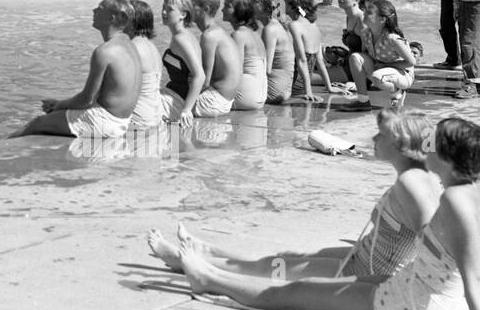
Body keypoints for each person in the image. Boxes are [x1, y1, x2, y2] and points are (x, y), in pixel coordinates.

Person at [170, 117, 480, 310]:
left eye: (434, 144)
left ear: (448, 158)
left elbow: (467, 278)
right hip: (392, 285)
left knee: (286, 281)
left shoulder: (437, 193)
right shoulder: (457, 191)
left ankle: (208, 274)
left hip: (398, 304)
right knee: (290, 267)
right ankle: (210, 261)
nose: (428, 147)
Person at [150, 109, 441, 279]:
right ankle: (205, 252)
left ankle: (187, 262)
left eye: (383, 135)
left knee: (277, 269)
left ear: (402, 146)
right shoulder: (415, 177)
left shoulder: (413, 183)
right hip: (366, 259)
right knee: (284, 260)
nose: (373, 138)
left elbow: (436, 244)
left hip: (369, 273)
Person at [14, 0, 141, 138]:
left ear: (110, 18)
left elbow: (87, 99)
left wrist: (58, 105)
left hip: (105, 122)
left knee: (37, 123)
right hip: (123, 121)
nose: (94, 10)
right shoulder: (129, 44)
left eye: (100, 9)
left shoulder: (104, 52)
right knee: (56, 117)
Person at [345, 0, 415, 110]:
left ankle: (397, 94)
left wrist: (385, 66)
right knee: (355, 57)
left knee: (377, 77)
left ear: (382, 19)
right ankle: (363, 101)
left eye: (369, 12)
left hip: (403, 74)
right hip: (381, 69)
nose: (364, 14)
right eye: (365, 11)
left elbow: (411, 62)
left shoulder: (392, 38)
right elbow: (364, 56)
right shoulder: (365, 34)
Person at [182, 0, 241, 120]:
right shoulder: (217, 32)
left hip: (214, 102)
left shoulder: (209, 36)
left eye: (191, 6)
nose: (187, 10)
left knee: (166, 105)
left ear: (206, 9)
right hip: (225, 100)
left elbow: (204, 81)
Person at [159, 0, 206, 122]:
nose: (163, 12)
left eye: (169, 9)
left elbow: (200, 76)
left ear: (183, 14)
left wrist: (186, 110)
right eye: (163, 7)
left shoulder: (181, 39)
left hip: (178, 100)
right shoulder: (185, 35)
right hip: (174, 94)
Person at [288, 0, 337, 100]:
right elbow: (319, 61)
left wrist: (308, 92)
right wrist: (329, 87)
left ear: (291, 8)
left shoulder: (294, 25)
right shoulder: (313, 26)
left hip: (293, 86)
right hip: (303, 85)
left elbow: (301, 60)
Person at [127, 0, 167, 128]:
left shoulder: (133, 47)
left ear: (131, 21)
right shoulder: (152, 47)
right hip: (155, 117)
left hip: (138, 120)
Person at [253, 0, 294, 104]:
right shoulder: (277, 26)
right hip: (283, 88)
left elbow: (266, 68)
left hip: (274, 90)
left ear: (266, 7)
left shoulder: (270, 29)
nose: (250, 5)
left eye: (255, 2)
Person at [225, 0, 266, 110]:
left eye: (227, 6)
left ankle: (173, 127)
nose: (222, 10)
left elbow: (236, 71)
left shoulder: (238, 35)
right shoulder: (255, 34)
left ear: (239, 11)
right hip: (260, 97)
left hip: (246, 97)